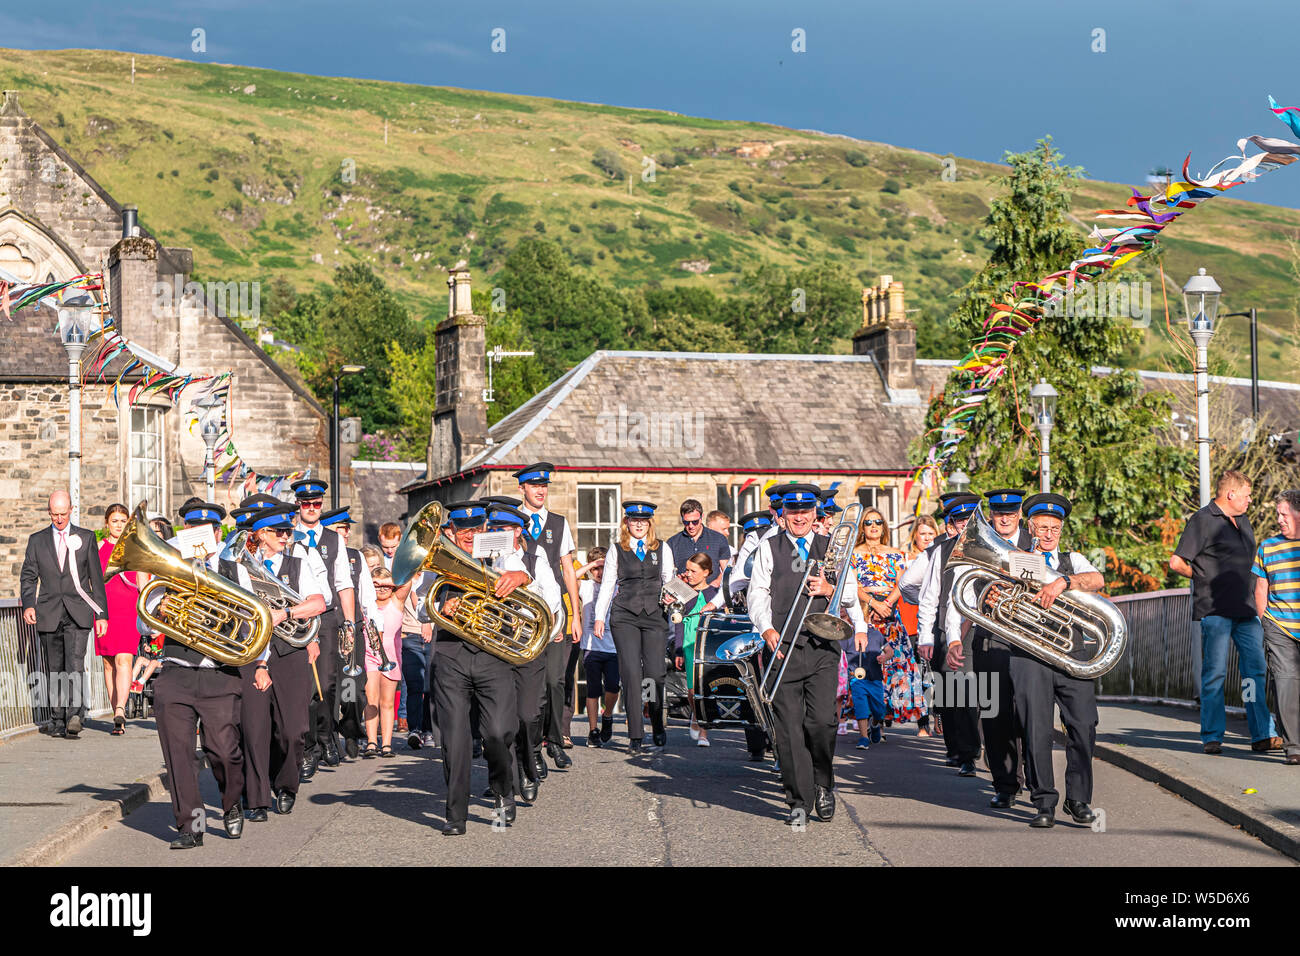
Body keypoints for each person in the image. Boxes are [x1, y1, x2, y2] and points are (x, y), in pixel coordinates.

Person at [748, 484, 871, 824]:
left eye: (805, 511)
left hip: (822, 645)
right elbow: (757, 592)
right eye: (792, 511)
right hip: (782, 646)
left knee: (821, 722)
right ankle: (798, 800)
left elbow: (848, 591)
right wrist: (766, 628)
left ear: (815, 513)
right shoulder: (767, 547)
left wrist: (832, 591)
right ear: (782, 514)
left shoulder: (830, 546)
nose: (799, 517)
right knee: (788, 728)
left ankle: (822, 783)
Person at [149, 498, 247, 848]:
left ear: (217, 533)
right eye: (192, 529)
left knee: (224, 752)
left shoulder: (234, 567)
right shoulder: (170, 567)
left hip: (219, 674)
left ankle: (232, 802)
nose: (198, 536)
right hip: (176, 671)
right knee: (179, 753)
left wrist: (260, 663)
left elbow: (257, 621)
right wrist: (159, 609)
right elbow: (141, 620)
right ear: (185, 531)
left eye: (206, 530)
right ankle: (193, 826)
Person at [426, 500, 527, 835]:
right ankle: (456, 816)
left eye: (475, 529)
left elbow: (526, 572)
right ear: (450, 530)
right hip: (452, 655)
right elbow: (418, 597)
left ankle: (502, 793)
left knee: (498, 733)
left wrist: (518, 575)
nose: (469, 536)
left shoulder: (499, 550)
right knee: (454, 741)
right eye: (462, 530)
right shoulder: (437, 556)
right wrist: (443, 604)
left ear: (484, 528)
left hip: (492, 654)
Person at [1012, 493, 1108, 826]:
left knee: (1084, 725)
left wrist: (1063, 582)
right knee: (1036, 727)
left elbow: (1097, 580)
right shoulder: (1018, 558)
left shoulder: (1073, 559)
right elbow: (997, 589)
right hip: (1029, 651)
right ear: (1030, 527)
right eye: (1042, 527)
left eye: (1054, 527)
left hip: (1070, 651)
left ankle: (1078, 799)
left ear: (1062, 529)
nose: (1049, 534)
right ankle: (1043, 803)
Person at [1171, 470, 1282, 755]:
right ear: (1230, 494)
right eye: (1246, 494)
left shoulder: (1243, 521)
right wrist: (1202, 577)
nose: (1250, 500)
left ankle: (1261, 734)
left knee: (1254, 673)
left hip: (1246, 609)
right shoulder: (1202, 520)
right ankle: (1212, 736)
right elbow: (1176, 562)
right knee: (1215, 674)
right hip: (1215, 609)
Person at [243, 504, 327, 815]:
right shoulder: (241, 566)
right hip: (253, 652)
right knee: (254, 729)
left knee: (293, 731)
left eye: (287, 531)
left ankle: (287, 783)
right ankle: (258, 796)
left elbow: (317, 602)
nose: (284, 536)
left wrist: (286, 613)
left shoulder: (297, 563)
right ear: (260, 535)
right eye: (278, 532)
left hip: (289, 652)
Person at [21, 490, 109, 739]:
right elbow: (28, 576)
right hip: (48, 612)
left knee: (75, 664)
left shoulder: (86, 538)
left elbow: (96, 579)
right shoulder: (36, 541)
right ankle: (56, 718)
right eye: (55, 514)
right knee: (54, 668)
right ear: (49, 512)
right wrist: (29, 604)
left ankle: (74, 715)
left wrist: (101, 614)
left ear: (71, 510)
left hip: (78, 611)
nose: (59, 519)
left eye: (63, 513)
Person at [592, 500, 677, 751]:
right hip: (625, 615)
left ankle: (658, 724)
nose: (638, 524)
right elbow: (607, 585)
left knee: (654, 674)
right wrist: (599, 617)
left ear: (649, 523)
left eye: (643, 521)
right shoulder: (616, 549)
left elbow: (668, 579)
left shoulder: (662, 548)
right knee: (630, 673)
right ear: (626, 523)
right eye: (633, 520)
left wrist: (671, 596)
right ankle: (635, 735)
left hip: (654, 615)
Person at [513, 462, 582, 767]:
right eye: (534, 486)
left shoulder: (558, 522)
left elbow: (568, 570)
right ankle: (533, 748)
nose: (540, 491)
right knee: (533, 685)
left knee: (555, 680)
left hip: (555, 612)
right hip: (522, 614)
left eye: (544, 486)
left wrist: (575, 615)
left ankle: (554, 741)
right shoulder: (511, 520)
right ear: (522, 489)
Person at [291, 478, 358, 775]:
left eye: (316, 503)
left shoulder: (333, 539)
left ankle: (327, 732)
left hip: (329, 616)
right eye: (306, 504)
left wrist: (349, 623)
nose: (311, 508)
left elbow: (344, 584)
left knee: (329, 685)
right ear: (298, 505)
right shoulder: (288, 536)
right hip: (299, 617)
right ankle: (310, 747)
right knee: (305, 687)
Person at [848, 508, 928, 746]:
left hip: (890, 618)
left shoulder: (897, 554)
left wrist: (887, 604)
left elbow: (902, 582)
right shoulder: (853, 554)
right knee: (864, 669)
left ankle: (880, 720)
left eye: (878, 522)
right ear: (862, 527)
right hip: (862, 615)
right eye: (868, 522)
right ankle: (869, 721)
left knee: (890, 672)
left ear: (884, 527)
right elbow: (851, 585)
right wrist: (872, 602)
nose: (873, 526)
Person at [916, 493, 983, 774]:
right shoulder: (940, 552)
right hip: (954, 628)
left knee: (984, 691)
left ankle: (978, 748)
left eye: (970, 521)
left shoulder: (990, 548)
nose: (964, 526)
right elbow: (926, 595)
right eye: (959, 521)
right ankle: (965, 752)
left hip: (987, 627)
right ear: (952, 525)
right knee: (958, 691)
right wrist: (926, 637)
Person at [321, 506, 385, 759]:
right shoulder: (315, 553)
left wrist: (376, 634)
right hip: (326, 629)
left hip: (352, 631)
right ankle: (326, 737)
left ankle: (349, 729)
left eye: (347, 528)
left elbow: (367, 598)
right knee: (327, 688)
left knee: (352, 689)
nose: (346, 533)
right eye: (340, 528)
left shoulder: (356, 557)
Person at [1252, 490, 1300, 766]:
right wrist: (1265, 620)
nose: (1279, 519)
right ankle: (1293, 746)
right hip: (1280, 625)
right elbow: (1261, 587)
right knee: (1286, 682)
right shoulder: (1267, 547)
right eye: (1278, 514)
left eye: (1284, 513)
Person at [96, 503, 140, 735]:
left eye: (123, 521)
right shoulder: (97, 548)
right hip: (104, 611)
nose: (119, 525)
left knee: (124, 659)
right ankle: (117, 714)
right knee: (108, 663)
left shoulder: (135, 548)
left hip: (128, 609)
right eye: (115, 521)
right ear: (107, 524)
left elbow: (143, 581)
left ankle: (120, 709)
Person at [669, 553, 722, 747]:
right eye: (688, 570)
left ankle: (703, 732)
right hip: (689, 643)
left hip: (708, 645)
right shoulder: (683, 592)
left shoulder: (715, 593)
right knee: (692, 690)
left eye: (694, 571)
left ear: (706, 572)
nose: (689, 574)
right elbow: (678, 622)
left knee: (705, 688)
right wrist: (678, 649)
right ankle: (695, 715)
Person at [363, 567, 408, 757]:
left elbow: (407, 582)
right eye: (376, 585)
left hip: (391, 656)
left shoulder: (397, 601)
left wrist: (389, 581)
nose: (381, 589)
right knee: (371, 700)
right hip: (369, 654)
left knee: (387, 702)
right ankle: (372, 742)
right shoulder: (366, 603)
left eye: (385, 585)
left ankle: (387, 743)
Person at [578, 548, 617, 747]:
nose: (600, 573)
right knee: (593, 689)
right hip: (591, 646)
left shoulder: (616, 586)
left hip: (613, 647)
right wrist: (592, 564)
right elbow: (565, 578)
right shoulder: (585, 586)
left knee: (612, 686)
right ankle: (593, 730)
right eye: (597, 569)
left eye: (604, 568)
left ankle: (608, 716)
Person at [667, 498, 730, 589]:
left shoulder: (719, 539)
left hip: (713, 595)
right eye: (686, 522)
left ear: (701, 517)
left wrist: (717, 582)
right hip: (685, 595)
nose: (691, 526)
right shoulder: (672, 542)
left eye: (695, 521)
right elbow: (669, 575)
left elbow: (727, 569)